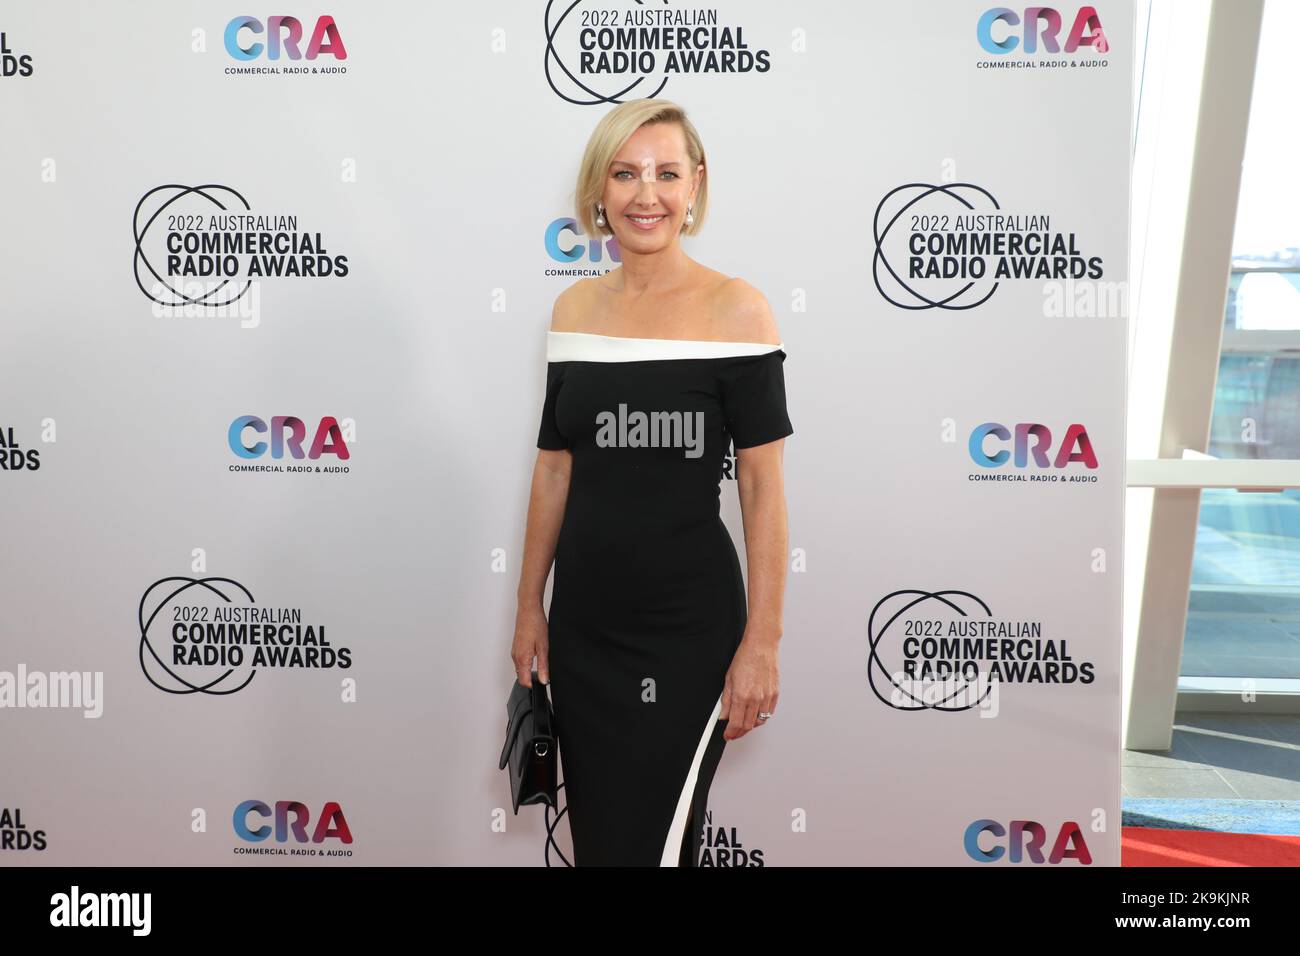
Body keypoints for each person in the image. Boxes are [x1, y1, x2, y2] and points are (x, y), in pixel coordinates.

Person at [511, 98, 793, 866]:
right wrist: (529, 607)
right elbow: (554, 467)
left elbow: (762, 487)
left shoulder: (738, 310)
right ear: (598, 190)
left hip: (686, 635)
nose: (647, 194)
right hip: (585, 631)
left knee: (656, 846)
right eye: (626, 173)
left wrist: (762, 643)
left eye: (667, 173)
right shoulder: (573, 310)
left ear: (696, 185)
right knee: (606, 846)